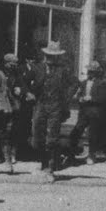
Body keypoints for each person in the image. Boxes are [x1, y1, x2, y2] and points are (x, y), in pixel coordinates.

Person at [27, 41, 76, 172]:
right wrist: (28, 92)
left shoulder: (63, 70)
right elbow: (24, 80)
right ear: (45, 55)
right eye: (48, 55)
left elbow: (74, 83)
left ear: (57, 57)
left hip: (56, 106)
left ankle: (50, 167)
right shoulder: (37, 68)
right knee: (38, 137)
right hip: (40, 105)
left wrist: (66, 98)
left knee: (52, 138)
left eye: (53, 56)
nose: (50, 58)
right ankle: (44, 163)